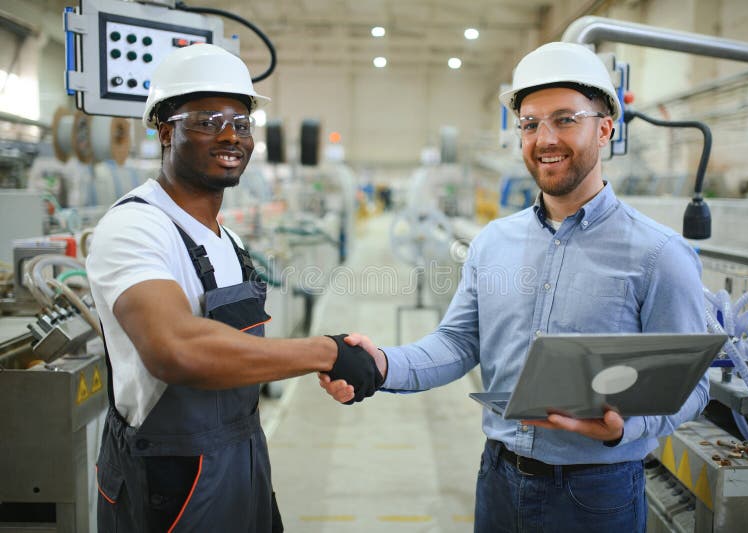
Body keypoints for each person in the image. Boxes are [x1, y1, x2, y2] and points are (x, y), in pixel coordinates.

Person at [320, 42, 709, 532]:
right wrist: (384, 364)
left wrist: (627, 428)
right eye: (530, 123)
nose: (545, 138)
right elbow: (459, 343)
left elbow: (693, 384)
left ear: (605, 127)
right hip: (499, 477)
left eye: (565, 119)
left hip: (596, 492)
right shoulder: (493, 242)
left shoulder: (658, 255)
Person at [87, 43, 380, 533]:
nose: (231, 136)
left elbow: (238, 357)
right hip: (169, 481)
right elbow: (175, 348)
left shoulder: (231, 241)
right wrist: (323, 352)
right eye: (207, 121)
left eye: (242, 123)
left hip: (241, 461)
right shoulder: (136, 228)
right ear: (165, 130)